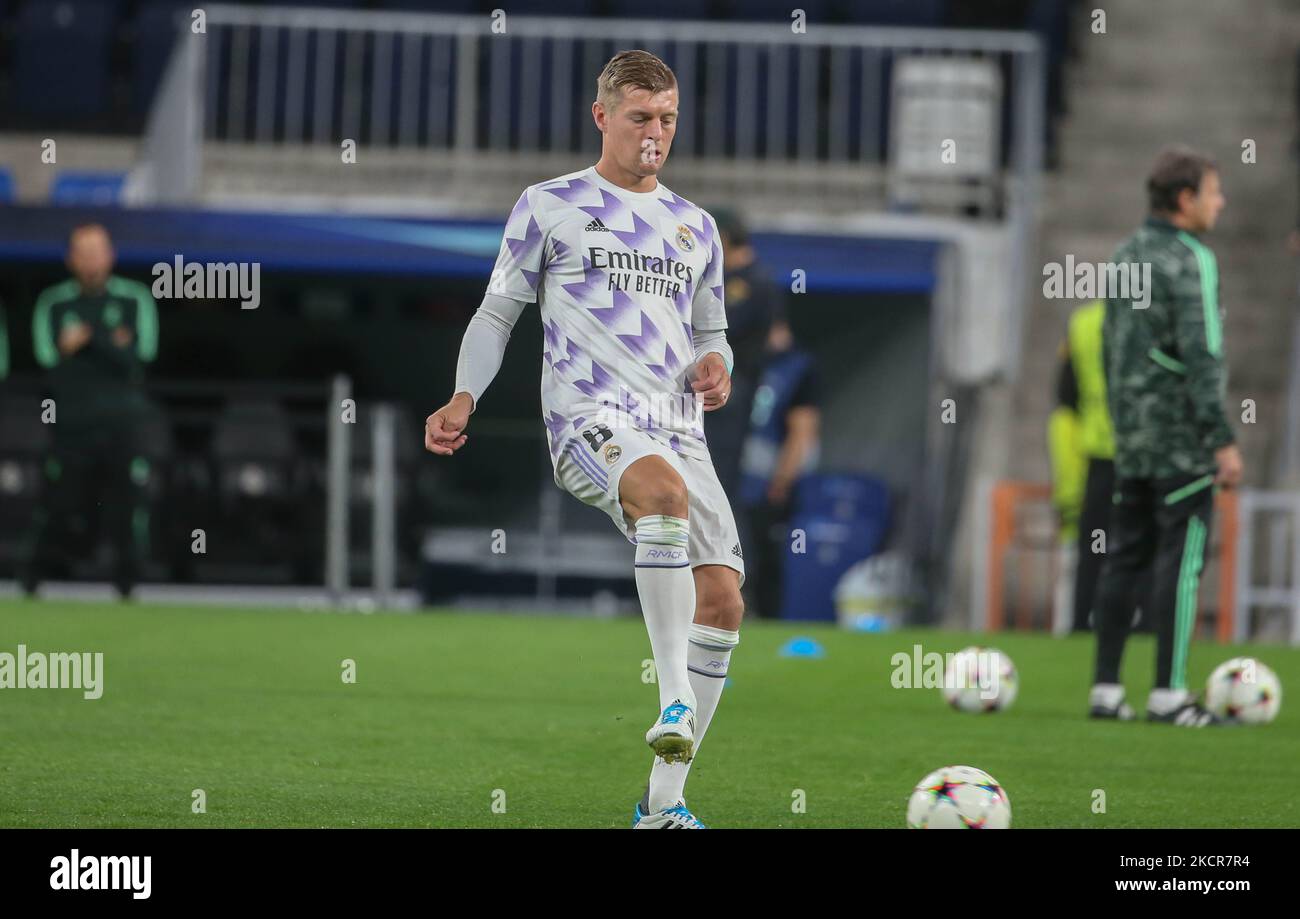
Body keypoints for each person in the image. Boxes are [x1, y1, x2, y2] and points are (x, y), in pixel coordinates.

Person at [425, 50, 743, 829]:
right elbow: (498, 312)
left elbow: (714, 333)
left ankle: (662, 806)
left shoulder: (697, 227)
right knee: (660, 496)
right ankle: (672, 694)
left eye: (667, 118)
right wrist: (465, 394)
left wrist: (718, 365)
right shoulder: (550, 205)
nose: (655, 133)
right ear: (602, 116)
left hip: (679, 428)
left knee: (724, 599)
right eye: (640, 117)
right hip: (589, 417)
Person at [1088, 147, 1242, 726]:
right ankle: (1169, 695)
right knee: (1180, 564)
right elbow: (1204, 354)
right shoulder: (1192, 258)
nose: (1220, 202)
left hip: (1131, 440)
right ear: (1185, 199)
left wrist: (1125, 424)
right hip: (1181, 441)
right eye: (1214, 192)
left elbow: (1109, 348)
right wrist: (1221, 438)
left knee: (1123, 559)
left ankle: (1106, 691)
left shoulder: (1123, 254)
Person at [21, 223, 159, 599]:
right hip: (71, 425)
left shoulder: (134, 299)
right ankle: (31, 581)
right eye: (84, 253)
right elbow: (49, 359)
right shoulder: (54, 302)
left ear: (111, 256)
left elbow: (139, 358)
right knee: (57, 503)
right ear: (71, 259)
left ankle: (128, 587)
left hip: (122, 424)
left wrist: (88, 341)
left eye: (98, 251)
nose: (92, 260)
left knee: (127, 504)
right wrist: (111, 344)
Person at [736, 319, 821, 619]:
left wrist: (783, 479)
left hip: (770, 484)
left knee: (769, 553)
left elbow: (803, 430)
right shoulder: (748, 362)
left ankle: (767, 614)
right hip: (739, 481)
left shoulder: (798, 369)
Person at [702, 208, 782, 501]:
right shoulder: (739, 277)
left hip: (732, 386)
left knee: (717, 469)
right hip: (723, 385)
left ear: (723, 237)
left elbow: (720, 327)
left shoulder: (750, 281)